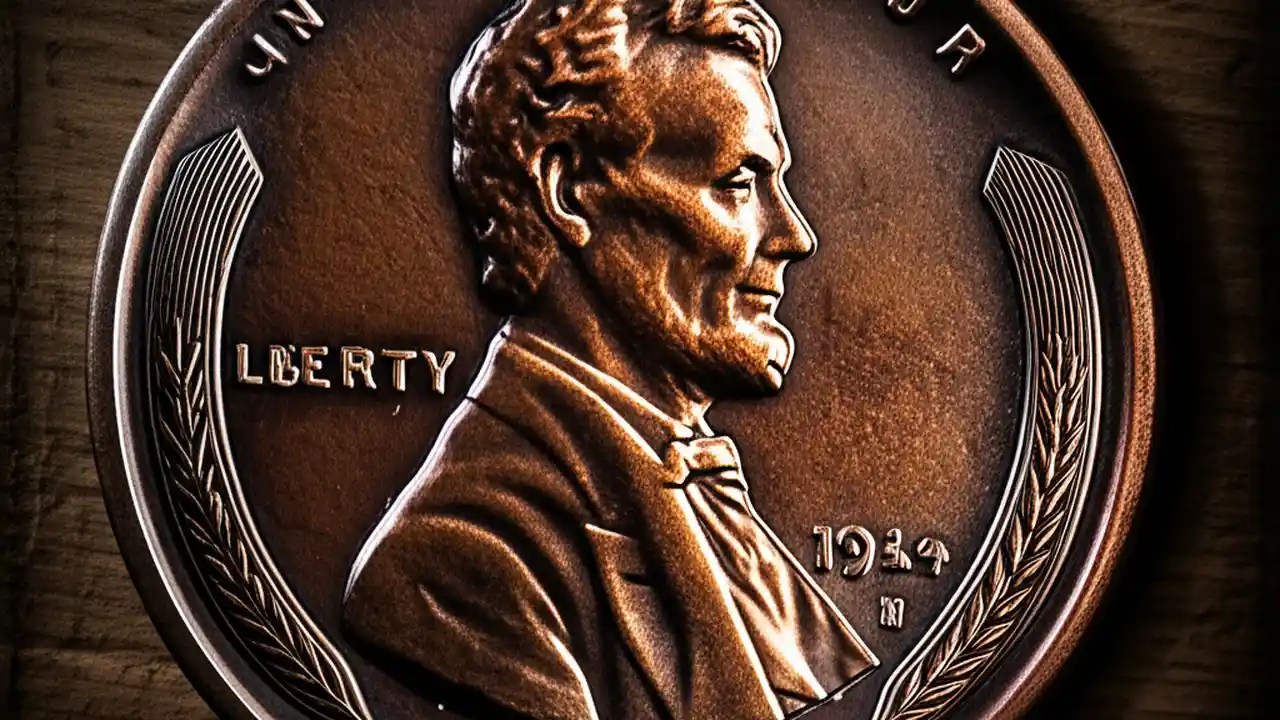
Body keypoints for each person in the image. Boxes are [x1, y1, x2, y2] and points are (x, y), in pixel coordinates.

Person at [343, 1, 877, 717]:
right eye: (738, 184)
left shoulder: (695, 487)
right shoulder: (453, 561)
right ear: (567, 191)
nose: (794, 236)